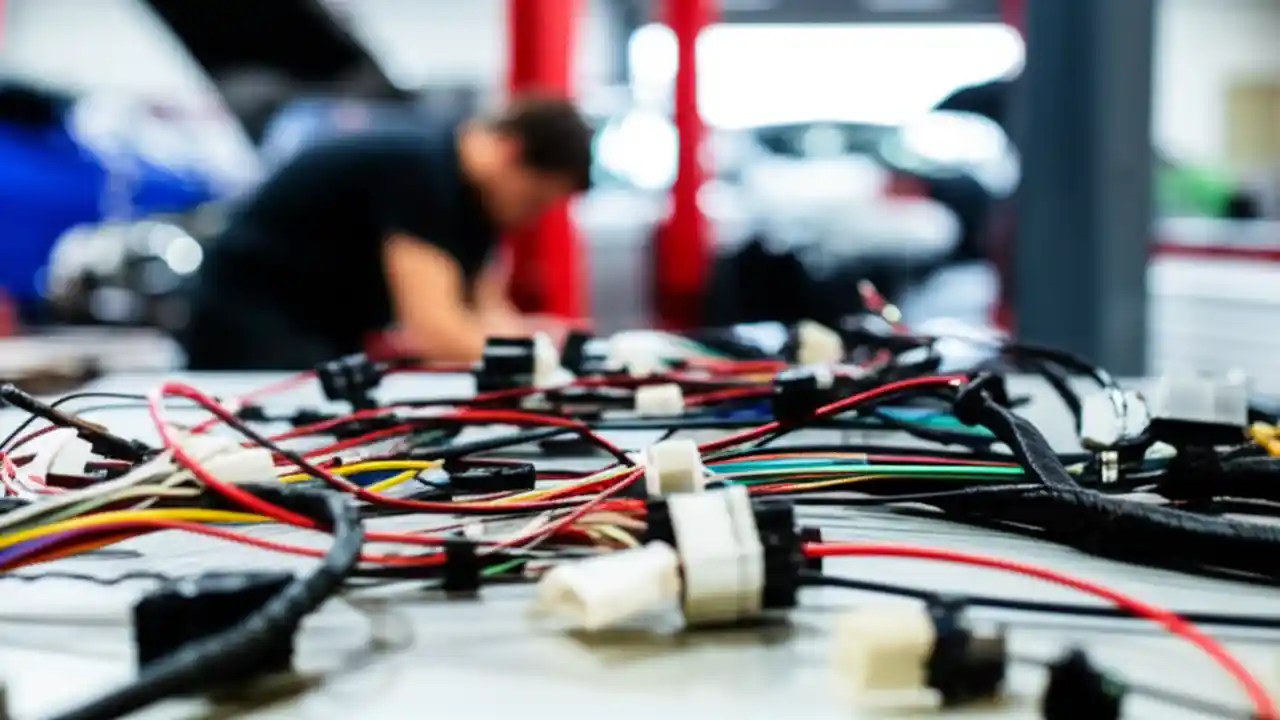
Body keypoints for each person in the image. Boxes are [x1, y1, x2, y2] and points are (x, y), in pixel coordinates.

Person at [179, 97, 592, 369]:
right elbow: (437, 332)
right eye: (533, 200)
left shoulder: (475, 198)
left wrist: (547, 340)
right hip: (254, 327)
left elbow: (486, 314)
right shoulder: (422, 171)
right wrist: (542, 362)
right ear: (510, 152)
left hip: (316, 331)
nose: (529, 218)